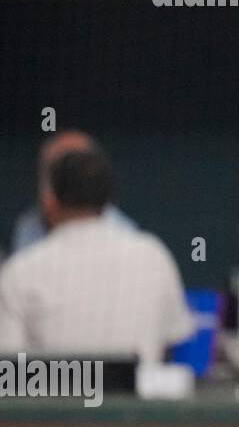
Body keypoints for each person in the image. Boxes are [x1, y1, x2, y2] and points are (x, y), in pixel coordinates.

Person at [0, 149, 191, 361]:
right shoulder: (154, 256)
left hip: (51, 392)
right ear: (108, 199)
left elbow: (8, 371)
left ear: (50, 200)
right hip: (135, 393)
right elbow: (176, 342)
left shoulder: (20, 270)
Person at [9, 131, 136, 255]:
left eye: (74, 171)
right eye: (58, 174)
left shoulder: (125, 234)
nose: (68, 181)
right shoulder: (27, 226)